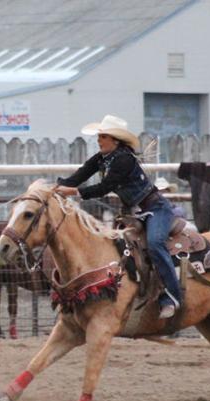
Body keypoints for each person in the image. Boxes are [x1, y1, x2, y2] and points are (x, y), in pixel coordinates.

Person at [54, 115, 182, 319]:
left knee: (156, 243)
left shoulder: (124, 159)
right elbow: (81, 174)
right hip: (133, 214)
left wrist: (73, 192)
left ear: (114, 139)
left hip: (155, 210)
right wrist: (58, 185)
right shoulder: (103, 158)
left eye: (103, 136)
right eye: (99, 136)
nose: (99, 139)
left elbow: (106, 186)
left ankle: (172, 297)